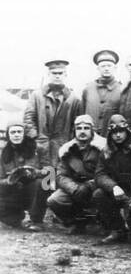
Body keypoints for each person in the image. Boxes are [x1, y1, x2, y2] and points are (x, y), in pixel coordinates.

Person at [24, 59, 83, 229]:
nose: (57, 76)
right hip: (43, 146)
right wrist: (37, 137)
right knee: (45, 179)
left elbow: (76, 123)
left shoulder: (73, 98)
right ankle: (36, 219)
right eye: (54, 73)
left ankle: (63, 217)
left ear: (66, 75)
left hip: (63, 147)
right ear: (48, 75)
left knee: (62, 179)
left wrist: (71, 143)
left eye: (60, 73)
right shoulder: (37, 96)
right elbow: (28, 118)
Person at [47, 115, 105, 233]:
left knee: (102, 195)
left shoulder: (103, 148)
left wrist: (90, 185)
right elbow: (60, 175)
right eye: (79, 128)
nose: (82, 131)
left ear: (92, 130)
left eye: (86, 128)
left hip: (97, 185)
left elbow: (107, 172)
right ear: (74, 130)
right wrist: (73, 188)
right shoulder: (67, 149)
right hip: (76, 186)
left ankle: (103, 223)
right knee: (54, 200)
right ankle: (75, 222)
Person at [93, 114, 131, 244]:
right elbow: (100, 174)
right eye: (114, 132)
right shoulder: (106, 151)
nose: (118, 135)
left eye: (121, 131)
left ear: (127, 131)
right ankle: (117, 230)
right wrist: (113, 187)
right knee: (99, 194)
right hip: (118, 191)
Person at [0, 122, 41, 230]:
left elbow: (47, 169)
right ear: (8, 135)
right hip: (12, 189)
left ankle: (34, 218)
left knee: (41, 183)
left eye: (19, 132)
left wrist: (34, 172)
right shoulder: (3, 153)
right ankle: (17, 220)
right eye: (13, 132)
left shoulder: (35, 149)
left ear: (24, 134)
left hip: (31, 187)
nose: (16, 135)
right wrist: (9, 180)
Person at [81, 49, 123, 135]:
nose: (106, 69)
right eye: (103, 66)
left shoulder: (121, 89)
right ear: (98, 68)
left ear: (115, 68)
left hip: (112, 137)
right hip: (90, 137)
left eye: (109, 66)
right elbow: (81, 115)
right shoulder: (88, 89)